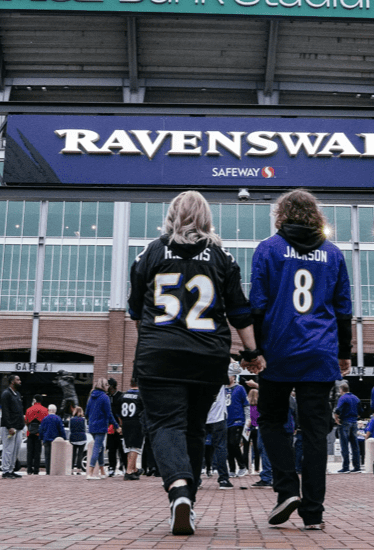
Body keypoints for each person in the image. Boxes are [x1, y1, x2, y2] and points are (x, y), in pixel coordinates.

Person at [129, 190, 263, 536]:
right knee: (193, 426)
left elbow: (134, 308)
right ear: (206, 219)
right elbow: (239, 310)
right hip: (208, 355)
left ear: (172, 215)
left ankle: (178, 490)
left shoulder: (152, 251)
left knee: (165, 424)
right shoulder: (222, 257)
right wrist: (251, 354)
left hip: (159, 354)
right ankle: (187, 495)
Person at [250, 189, 352, 531]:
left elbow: (258, 304)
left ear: (282, 214)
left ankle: (286, 488)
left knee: (271, 419)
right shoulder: (333, 253)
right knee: (313, 432)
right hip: (320, 351)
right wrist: (344, 353)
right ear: (315, 215)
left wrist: (256, 350)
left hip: (278, 349)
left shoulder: (268, 249)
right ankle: (314, 512)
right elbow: (343, 309)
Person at [85, 377, 115, 479]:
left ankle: (102, 471)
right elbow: (109, 414)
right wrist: (116, 426)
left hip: (92, 426)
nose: (108, 387)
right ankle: (90, 472)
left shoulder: (91, 396)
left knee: (100, 447)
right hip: (101, 426)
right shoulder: (104, 397)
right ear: (104, 386)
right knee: (97, 448)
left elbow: (86, 412)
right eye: (107, 385)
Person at [0, 374, 25, 479]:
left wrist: (21, 425)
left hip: (18, 427)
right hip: (9, 428)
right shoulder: (6, 394)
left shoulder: (17, 394)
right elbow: (5, 411)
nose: (20, 381)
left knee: (15, 450)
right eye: (18, 380)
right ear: (12, 382)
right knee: (8, 450)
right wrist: (9, 426)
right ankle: (5, 471)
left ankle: (11, 469)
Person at [225, 370, 250, 477]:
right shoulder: (223, 389)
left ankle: (242, 466)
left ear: (234, 376)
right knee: (228, 446)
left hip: (237, 420)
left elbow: (246, 404)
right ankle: (232, 469)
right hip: (226, 421)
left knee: (233, 443)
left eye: (229, 374)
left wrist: (248, 420)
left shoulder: (240, 388)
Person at [119, 377, 144, 480]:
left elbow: (118, 412)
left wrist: (121, 424)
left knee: (129, 447)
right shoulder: (140, 395)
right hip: (136, 422)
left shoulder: (122, 395)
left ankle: (134, 470)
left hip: (125, 422)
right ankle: (129, 471)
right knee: (136, 447)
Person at [333, 383, 361, 473]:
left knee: (344, 445)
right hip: (354, 422)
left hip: (344, 421)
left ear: (341, 389)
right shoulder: (356, 398)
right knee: (355, 445)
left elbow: (338, 410)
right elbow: (360, 411)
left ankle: (346, 467)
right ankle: (357, 467)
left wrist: (336, 418)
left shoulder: (343, 398)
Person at [38, 405, 63, 476]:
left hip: (46, 439)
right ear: (55, 411)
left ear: (48, 410)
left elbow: (41, 429)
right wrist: (63, 438)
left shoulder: (45, 419)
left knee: (47, 456)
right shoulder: (58, 418)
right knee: (55, 456)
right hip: (56, 440)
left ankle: (48, 471)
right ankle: (55, 470)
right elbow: (61, 429)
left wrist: (41, 438)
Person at [24, 398, 47, 475]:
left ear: (34, 400)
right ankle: (36, 470)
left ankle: (29, 469)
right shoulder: (45, 410)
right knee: (37, 453)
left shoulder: (29, 409)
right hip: (39, 434)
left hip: (30, 433)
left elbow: (26, 421)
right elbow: (45, 423)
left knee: (29, 452)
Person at [107, 377, 124, 477]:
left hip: (119, 426)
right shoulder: (107, 396)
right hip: (110, 427)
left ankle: (122, 466)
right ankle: (111, 467)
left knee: (121, 448)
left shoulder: (120, 396)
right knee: (111, 448)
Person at [68, 406, 88, 473]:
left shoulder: (71, 419)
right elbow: (85, 429)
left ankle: (72, 469)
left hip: (73, 438)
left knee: (73, 454)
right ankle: (78, 470)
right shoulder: (83, 420)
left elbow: (70, 429)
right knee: (80, 454)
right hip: (82, 438)